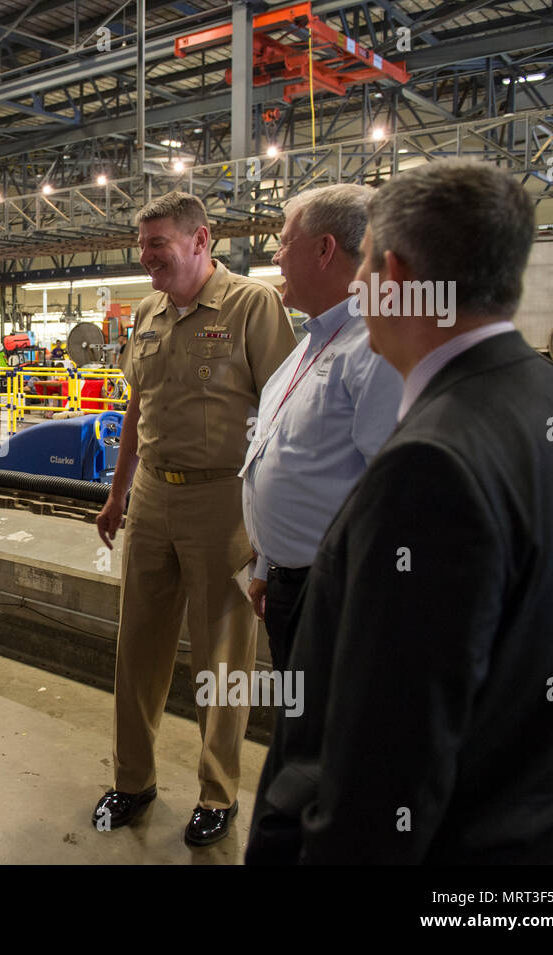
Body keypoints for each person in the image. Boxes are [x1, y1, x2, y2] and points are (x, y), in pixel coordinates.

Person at [246, 160, 553, 864]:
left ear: (398, 274)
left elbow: (384, 760)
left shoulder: (429, 467)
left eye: (364, 272)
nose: (355, 290)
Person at [93, 192, 295, 846]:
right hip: (152, 495)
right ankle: (132, 778)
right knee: (137, 647)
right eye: (142, 243)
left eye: (158, 244)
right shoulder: (149, 312)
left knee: (222, 656)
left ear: (200, 238)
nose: (145, 256)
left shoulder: (251, 306)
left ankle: (217, 790)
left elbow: (283, 415)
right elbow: (136, 407)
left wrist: (270, 524)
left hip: (223, 502)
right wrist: (118, 493)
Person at [241, 184, 402, 670]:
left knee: (340, 739)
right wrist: (270, 564)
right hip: (292, 584)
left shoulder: (377, 350)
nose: (276, 255)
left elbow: (398, 498)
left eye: (285, 242)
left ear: (324, 248)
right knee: (306, 734)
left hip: (343, 596)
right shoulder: (311, 343)